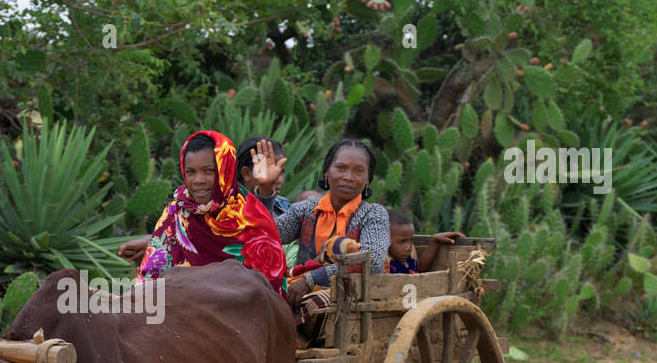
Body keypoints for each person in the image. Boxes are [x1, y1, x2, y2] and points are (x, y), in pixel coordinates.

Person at [134, 130, 287, 292]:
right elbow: (149, 279)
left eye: (208, 170)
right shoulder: (176, 212)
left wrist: (265, 189)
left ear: (224, 170)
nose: (198, 180)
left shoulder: (252, 216)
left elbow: (269, 292)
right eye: (191, 172)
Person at [250, 138, 390, 304]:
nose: (348, 177)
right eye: (341, 167)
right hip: (298, 295)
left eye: (358, 171)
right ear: (326, 172)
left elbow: (370, 262)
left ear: (367, 180)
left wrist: (311, 280)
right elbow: (267, 236)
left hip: (354, 302)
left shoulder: (373, 214)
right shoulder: (307, 209)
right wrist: (266, 189)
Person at [386, 209, 465, 273]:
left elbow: (420, 268)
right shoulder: (383, 265)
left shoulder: (407, 261)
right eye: (402, 242)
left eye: (411, 240)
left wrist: (435, 241)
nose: (409, 247)